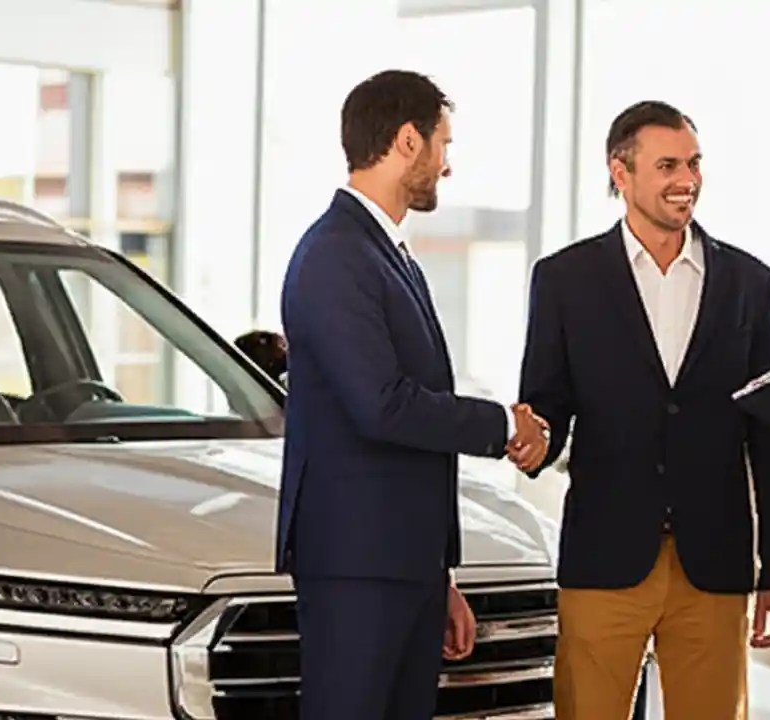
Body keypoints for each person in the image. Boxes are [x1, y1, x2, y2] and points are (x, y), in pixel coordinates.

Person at [516, 99, 770, 720]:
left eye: (694, 163)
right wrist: (534, 440)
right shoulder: (564, 279)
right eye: (668, 165)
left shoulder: (752, 285)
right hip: (605, 555)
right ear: (620, 173)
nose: (687, 180)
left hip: (715, 563)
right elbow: (548, 404)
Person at [275, 69, 549, 720]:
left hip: (401, 566)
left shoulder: (387, 253)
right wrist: (502, 425)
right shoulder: (336, 254)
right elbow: (383, 404)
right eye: (442, 145)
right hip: (356, 565)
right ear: (407, 141)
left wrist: (438, 575)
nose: (446, 166)